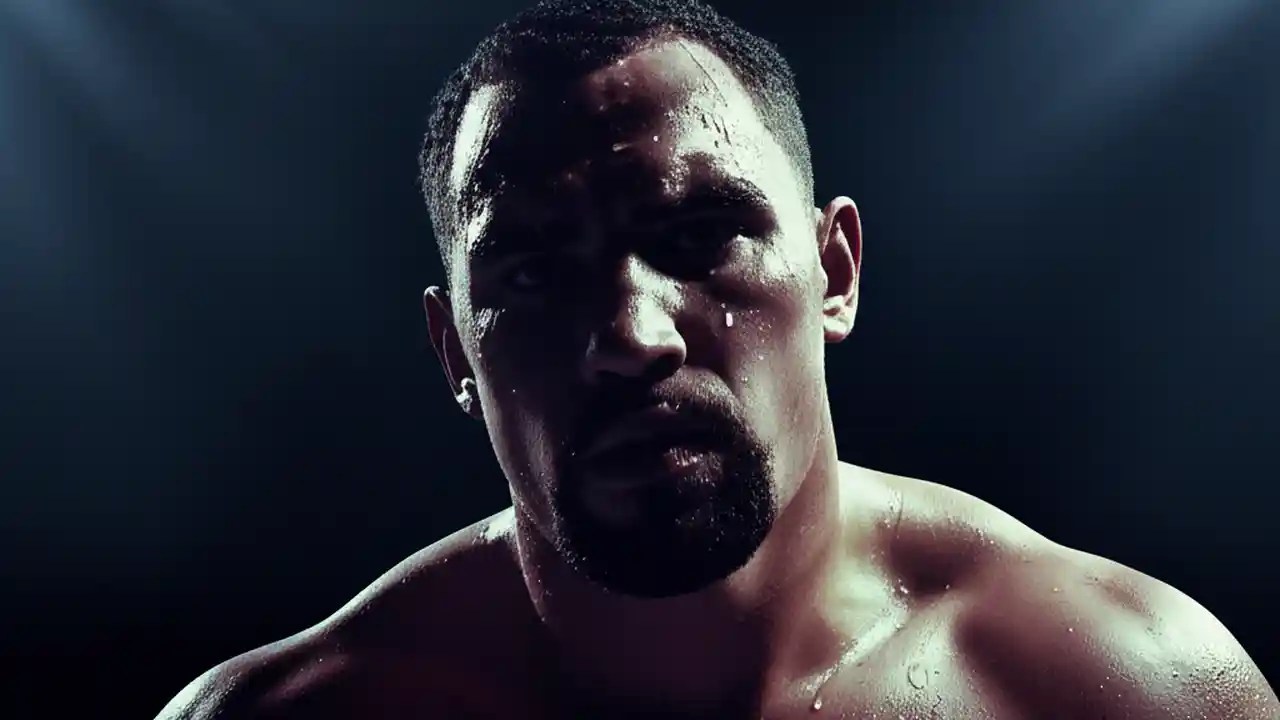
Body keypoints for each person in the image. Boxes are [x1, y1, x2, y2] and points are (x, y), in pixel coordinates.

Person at [156, 1, 1279, 717]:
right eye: (535, 275)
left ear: (833, 272)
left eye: (699, 240)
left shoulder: (1117, 686)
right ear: (454, 350)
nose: (632, 337)